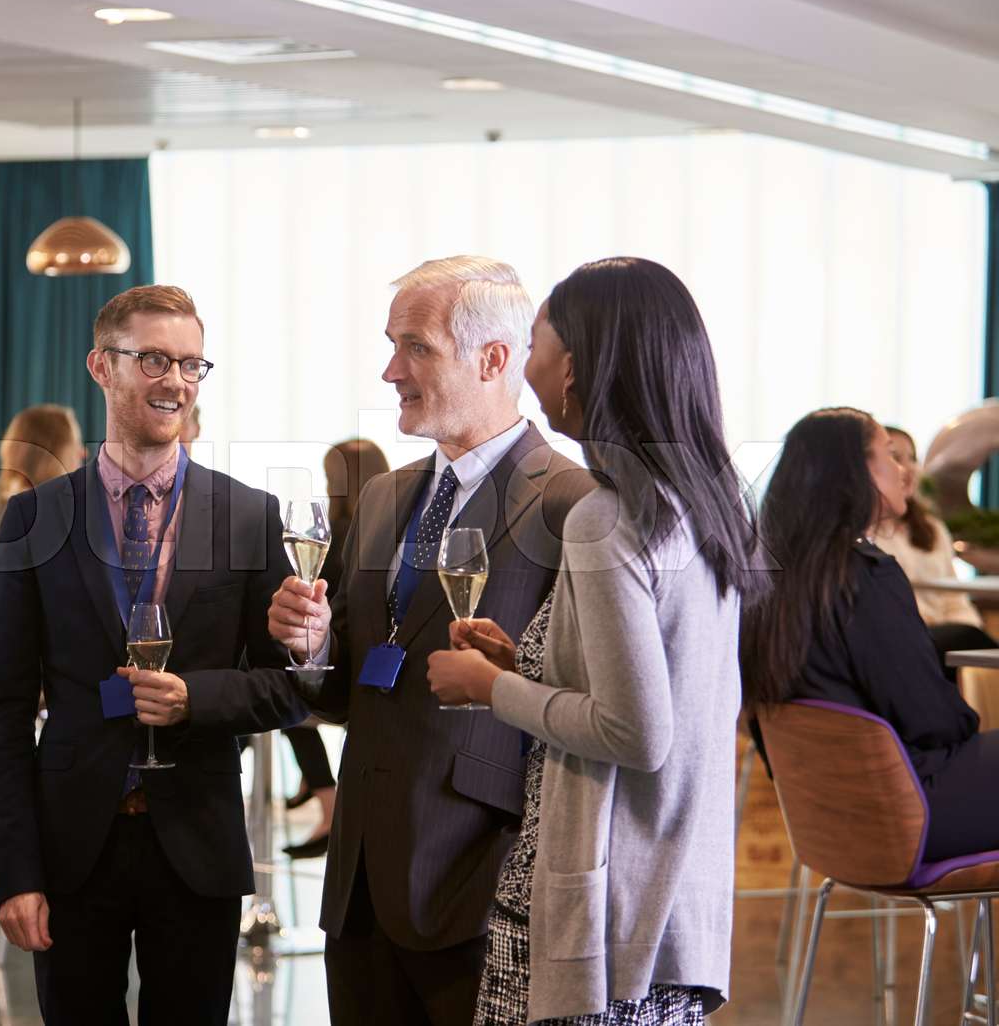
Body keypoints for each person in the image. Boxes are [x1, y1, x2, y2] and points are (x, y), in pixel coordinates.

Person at [427, 257, 765, 1024]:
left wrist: (490, 688)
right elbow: (663, 691)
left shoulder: (606, 520)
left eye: (537, 344)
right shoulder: (700, 508)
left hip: (601, 918)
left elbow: (635, 731)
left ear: (575, 367)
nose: (527, 366)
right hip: (675, 909)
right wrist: (527, 664)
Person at [267, 256, 593, 1024]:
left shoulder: (574, 504)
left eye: (416, 347)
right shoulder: (384, 497)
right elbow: (348, 688)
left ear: (493, 358)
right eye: (392, 346)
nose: (391, 372)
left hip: (482, 882)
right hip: (358, 884)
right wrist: (313, 646)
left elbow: (587, 707)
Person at [0, 284, 309, 1025]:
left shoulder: (248, 516)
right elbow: (3, 712)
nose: (177, 382)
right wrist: (16, 871)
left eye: (192, 364)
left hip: (198, 845)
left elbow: (287, 690)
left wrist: (197, 698)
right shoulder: (33, 517)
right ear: (102, 366)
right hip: (70, 852)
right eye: (154, 360)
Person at [743, 407, 999, 861]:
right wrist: (969, 723)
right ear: (856, 473)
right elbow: (932, 719)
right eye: (889, 456)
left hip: (827, 818)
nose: (904, 472)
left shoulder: (770, 580)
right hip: (911, 809)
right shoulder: (865, 576)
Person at [282, 438, 391, 860]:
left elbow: (323, 603)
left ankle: (325, 802)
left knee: (291, 708)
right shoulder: (394, 527)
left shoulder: (338, 533)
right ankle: (316, 790)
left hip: (344, 663)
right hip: (380, 665)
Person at [871, 425, 997, 660]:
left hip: (942, 635)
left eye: (912, 458)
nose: (907, 468)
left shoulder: (933, 528)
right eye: (895, 457)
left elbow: (956, 600)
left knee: (970, 642)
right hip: (900, 637)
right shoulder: (863, 533)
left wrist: (966, 627)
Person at [0, 404, 86, 584]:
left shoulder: (4, 506)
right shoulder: (37, 516)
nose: (83, 453)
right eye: (74, 444)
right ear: (50, 454)